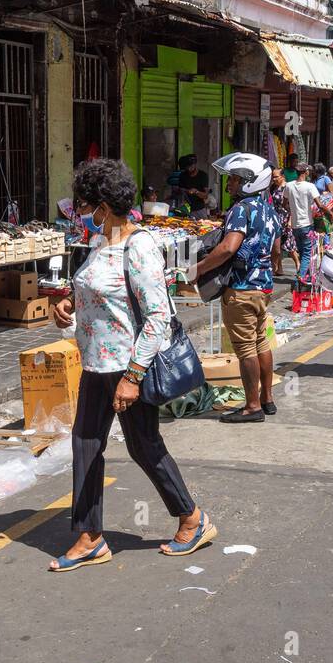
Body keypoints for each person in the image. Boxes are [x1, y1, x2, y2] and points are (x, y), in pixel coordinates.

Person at [49, 159, 213, 571]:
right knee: (85, 444)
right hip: (95, 365)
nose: (82, 211)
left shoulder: (139, 246)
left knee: (144, 446)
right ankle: (90, 537)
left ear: (104, 204)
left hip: (126, 369)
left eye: (87, 204)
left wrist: (134, 377)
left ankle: (192, 519)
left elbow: (158, 315)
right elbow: (97, 289)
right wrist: (71, 303)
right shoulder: (100, 242)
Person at [194, 153, 280, 423]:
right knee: (260, 342)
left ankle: (252, 406)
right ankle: (267, 399)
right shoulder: (269, 210)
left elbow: (228, 247)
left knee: (245, 350)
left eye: (235, 179)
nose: (229, 183)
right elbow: (276, 251)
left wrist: (198, 269)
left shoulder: (241, 210)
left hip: (241, 289)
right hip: (263, 287)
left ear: (250, 182)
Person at [284, 164, 321, 286]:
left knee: (302, 251)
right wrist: (330, 213)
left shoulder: (289, 186)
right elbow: (319, 205)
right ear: (306, 172)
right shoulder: (310, 186)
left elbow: (285, 204)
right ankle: (300, 279)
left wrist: (293, 211)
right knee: (306, 253)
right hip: (307, 224)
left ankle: (304, 275)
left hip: (295, 225)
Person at [269, 168, 295, 276]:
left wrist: (290, 220)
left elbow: (292, 206)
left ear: (282, 177)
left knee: (289, 245)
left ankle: (299, 265)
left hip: (285, 217)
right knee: (277, 245)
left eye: (275, 176)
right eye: (273, 177)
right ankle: (278, 268)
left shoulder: (287, 188)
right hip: (276, 218)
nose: (273, 179)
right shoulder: (274, 188)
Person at [175, 154, 211, 219]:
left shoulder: (203, 176)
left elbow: (205, 195)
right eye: (186, 168)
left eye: (190, 167)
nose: (189, 169)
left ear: (194, 165)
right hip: (185, 209)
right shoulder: (183, 175)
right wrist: (186, 191)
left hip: (199, 209)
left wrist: (196, 192)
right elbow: (179, 189)